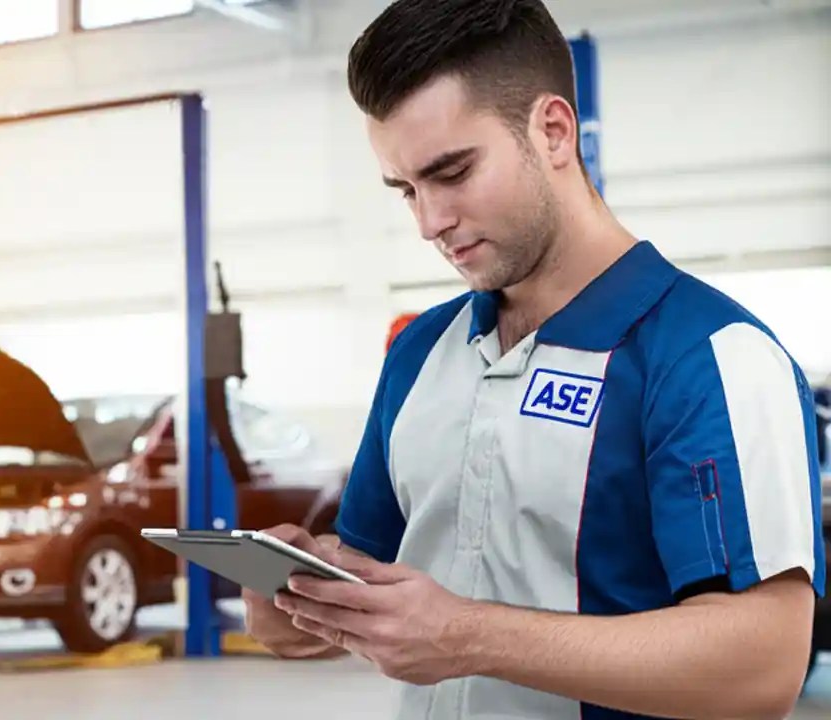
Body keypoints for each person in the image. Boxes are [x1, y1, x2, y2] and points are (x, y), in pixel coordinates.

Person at [242, 1, 826, 718]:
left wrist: (469, 636)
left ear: (552, 131)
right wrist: (299, 606)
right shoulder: (420, 355)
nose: (430, 222)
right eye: (406, 190)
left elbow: (763, 666)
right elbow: (385, 598)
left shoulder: (711, 359)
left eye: (452, 172)